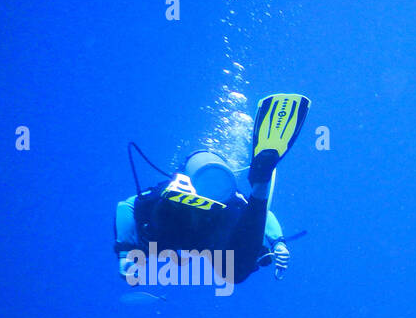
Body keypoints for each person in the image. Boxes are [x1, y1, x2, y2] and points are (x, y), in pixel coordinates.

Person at [115, 93, 310, 290]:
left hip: (180, 232)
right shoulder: (231, 200)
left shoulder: (166, 192)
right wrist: (278, 241)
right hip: (208, 235)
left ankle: (259, 188)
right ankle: (260, 187)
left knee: (233, 265)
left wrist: (125, 252)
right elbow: (263, 216)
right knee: (236, 270)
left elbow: (127, 206)